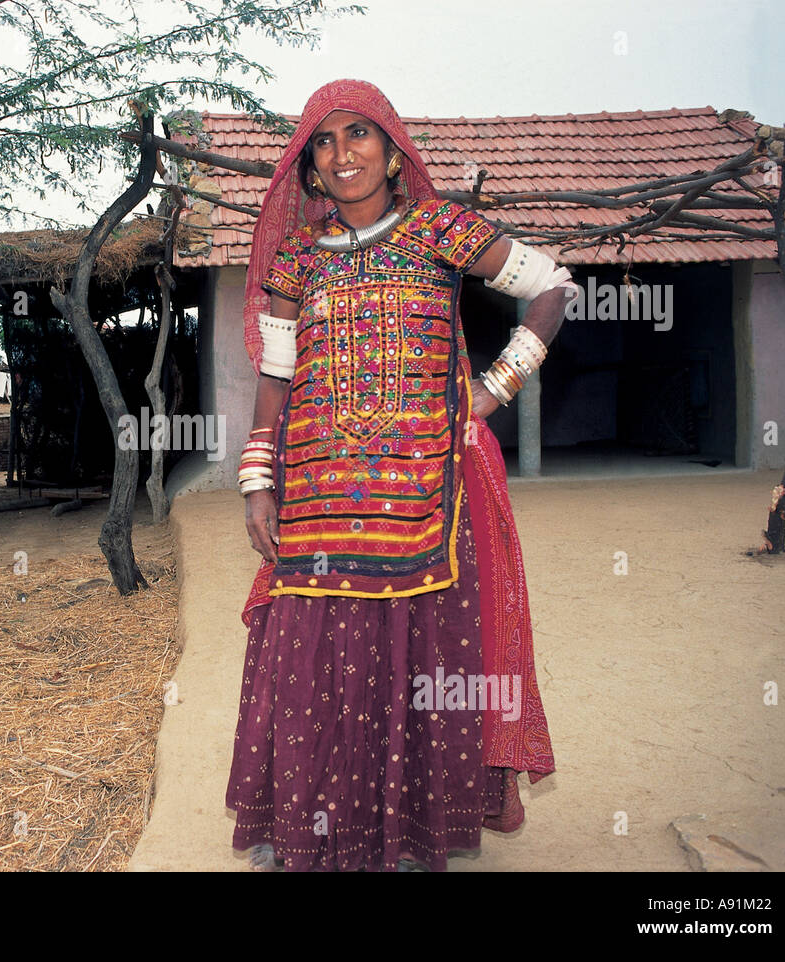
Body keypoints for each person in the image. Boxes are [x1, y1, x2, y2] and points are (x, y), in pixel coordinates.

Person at [226, 79, 566, 872]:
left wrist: (492, 391)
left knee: (419, 666)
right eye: (325, 141)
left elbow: (552, 283)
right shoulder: (295, 259)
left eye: (360, 135)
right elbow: (275, 380)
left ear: (391, 148)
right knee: (311, 665)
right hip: (312, 506)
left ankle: (406, 836)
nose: (343, 155)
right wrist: (256, 483)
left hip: (421, 508)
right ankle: (309, 835)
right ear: (309, 166)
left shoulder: (440, 230)